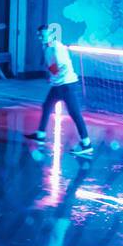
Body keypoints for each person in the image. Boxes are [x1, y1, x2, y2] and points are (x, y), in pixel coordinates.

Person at [27, 25, 93, 155]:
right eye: (39, 35)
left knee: (75, 113)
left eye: (43, 35)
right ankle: (40, 134)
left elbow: (62, 67)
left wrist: (54, 78)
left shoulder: (58, 48)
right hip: (59, 85)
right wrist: (52, 77)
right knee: (47, 106)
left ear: (51, 34)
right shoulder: (47, 47)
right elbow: (53, 66)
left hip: (66, 85)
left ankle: (86, 144)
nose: (40, 37)